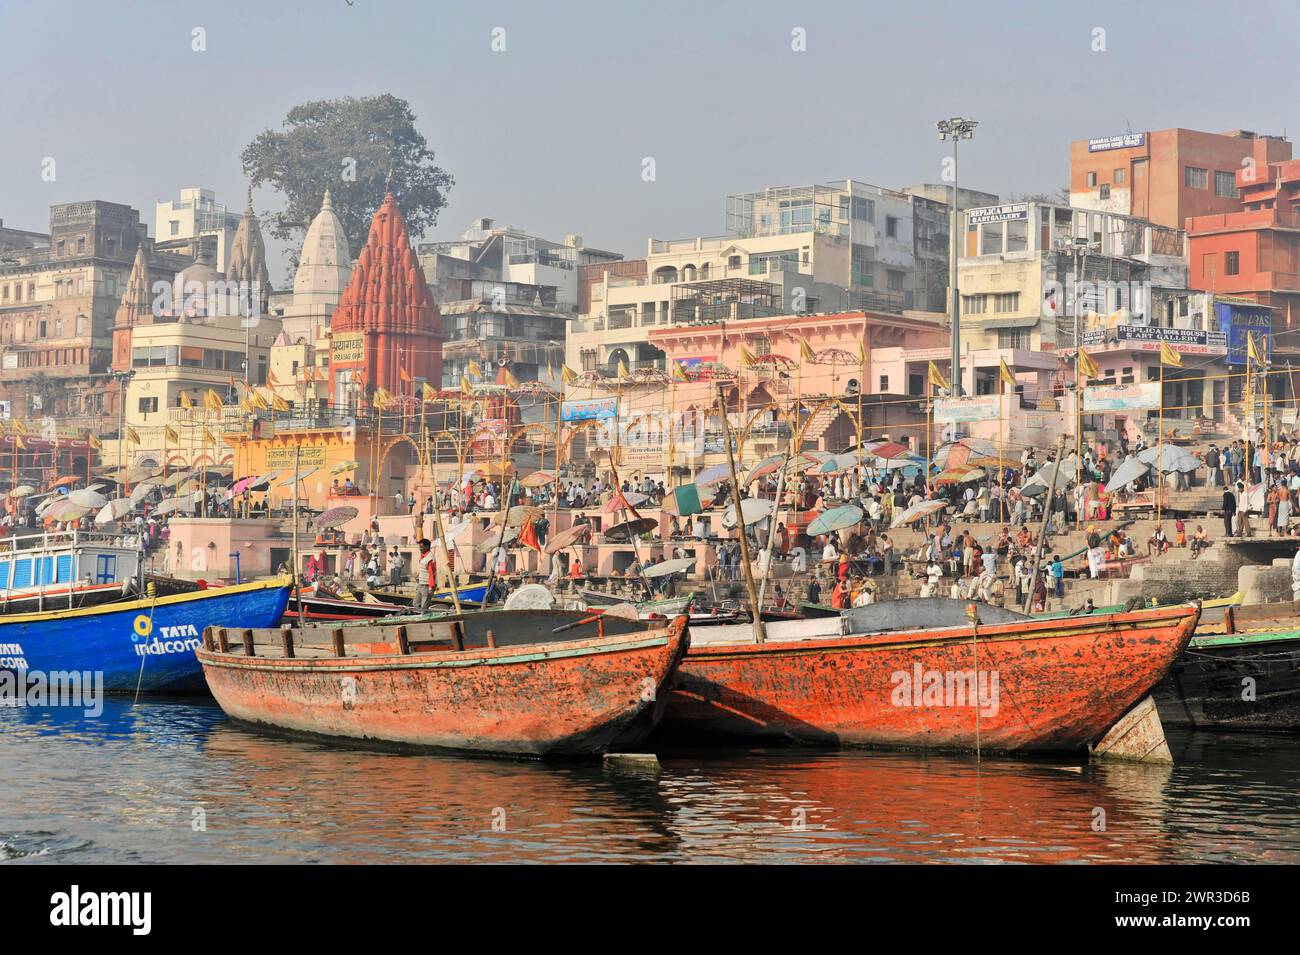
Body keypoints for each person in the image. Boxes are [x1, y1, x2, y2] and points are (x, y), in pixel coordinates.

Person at [415, 538, 435, 611]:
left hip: (427, 585)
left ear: (427, 547)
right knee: (415, 603)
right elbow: (423, 569)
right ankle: (421, 614)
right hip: (421, 583)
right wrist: (418, 575)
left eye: (421, 547)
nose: (420, 549)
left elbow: (432, 573)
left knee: (424, 605)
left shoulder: (430, 558)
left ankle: (424, 615)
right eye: (419, 547)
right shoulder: (423, 556)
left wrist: (431, 587)